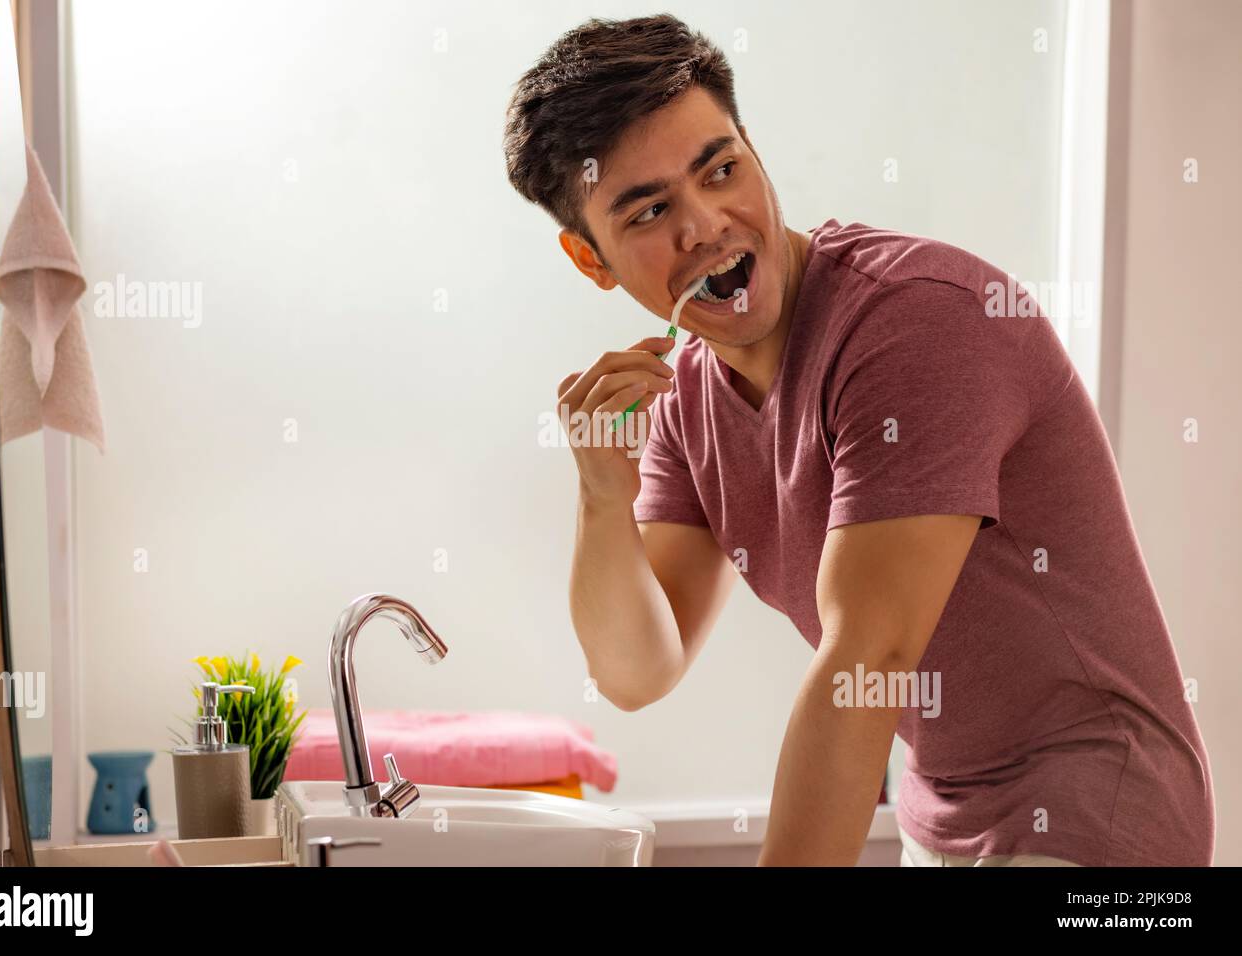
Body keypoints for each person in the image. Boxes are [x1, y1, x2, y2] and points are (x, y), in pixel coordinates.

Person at [502, 14, 1213, 867]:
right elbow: (637, 670)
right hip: (939, 822)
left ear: (755, 151)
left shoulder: (917, 322)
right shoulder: (687, 395)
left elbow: (867, 654)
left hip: (1104, 820)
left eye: (721, 170)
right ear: (591, 259)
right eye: (651, 210)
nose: (705, 225)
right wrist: (601, 495)